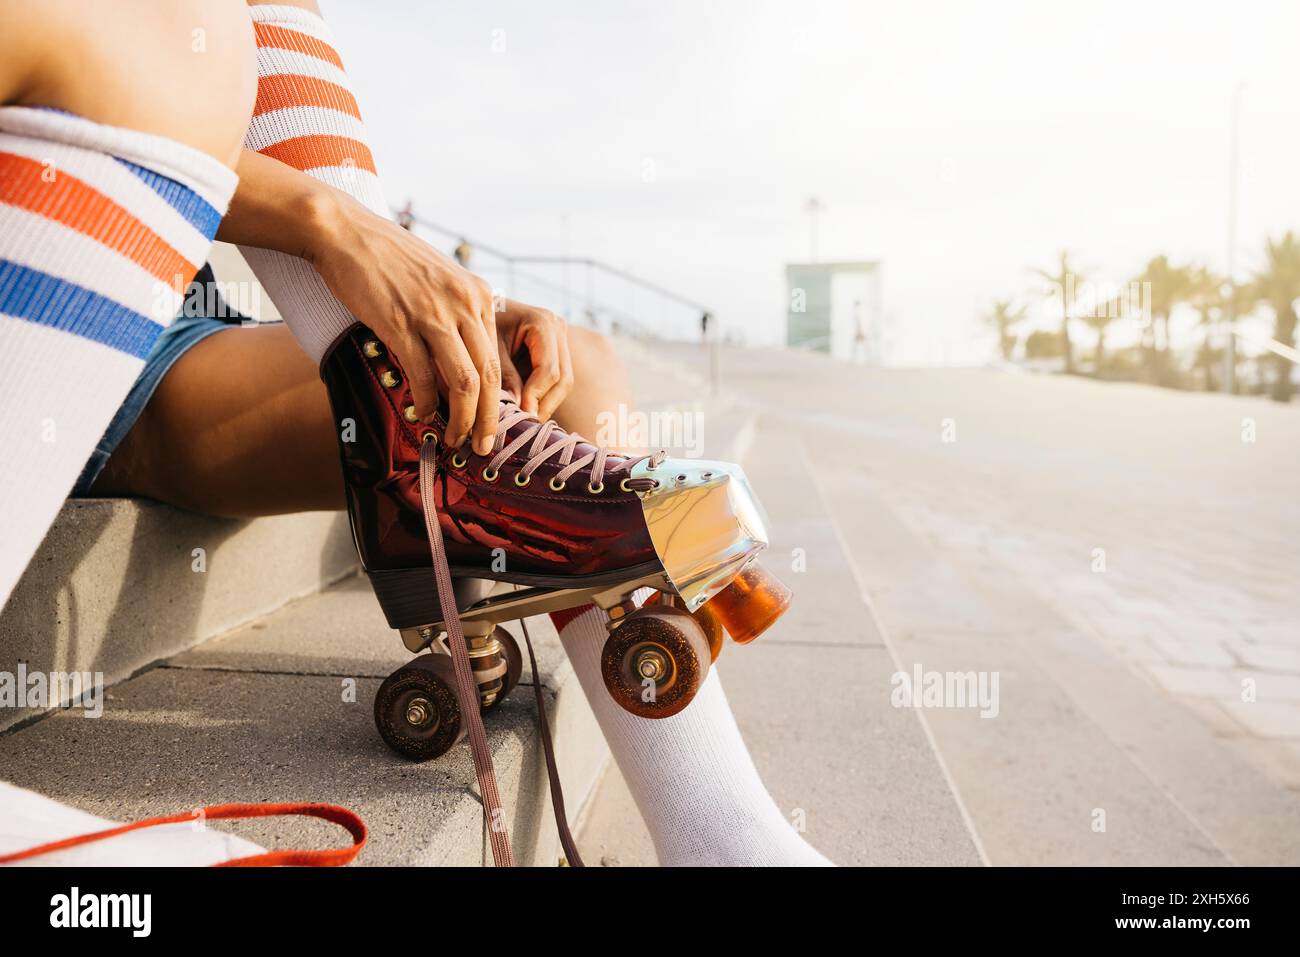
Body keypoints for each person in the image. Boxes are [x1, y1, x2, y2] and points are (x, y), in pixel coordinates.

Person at [1, 0, 830, 867]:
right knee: (184, 24)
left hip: (159, 312)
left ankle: (731, 843)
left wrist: (426, 313)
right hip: (40, 304)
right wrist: (331, 225)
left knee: (555, 366)